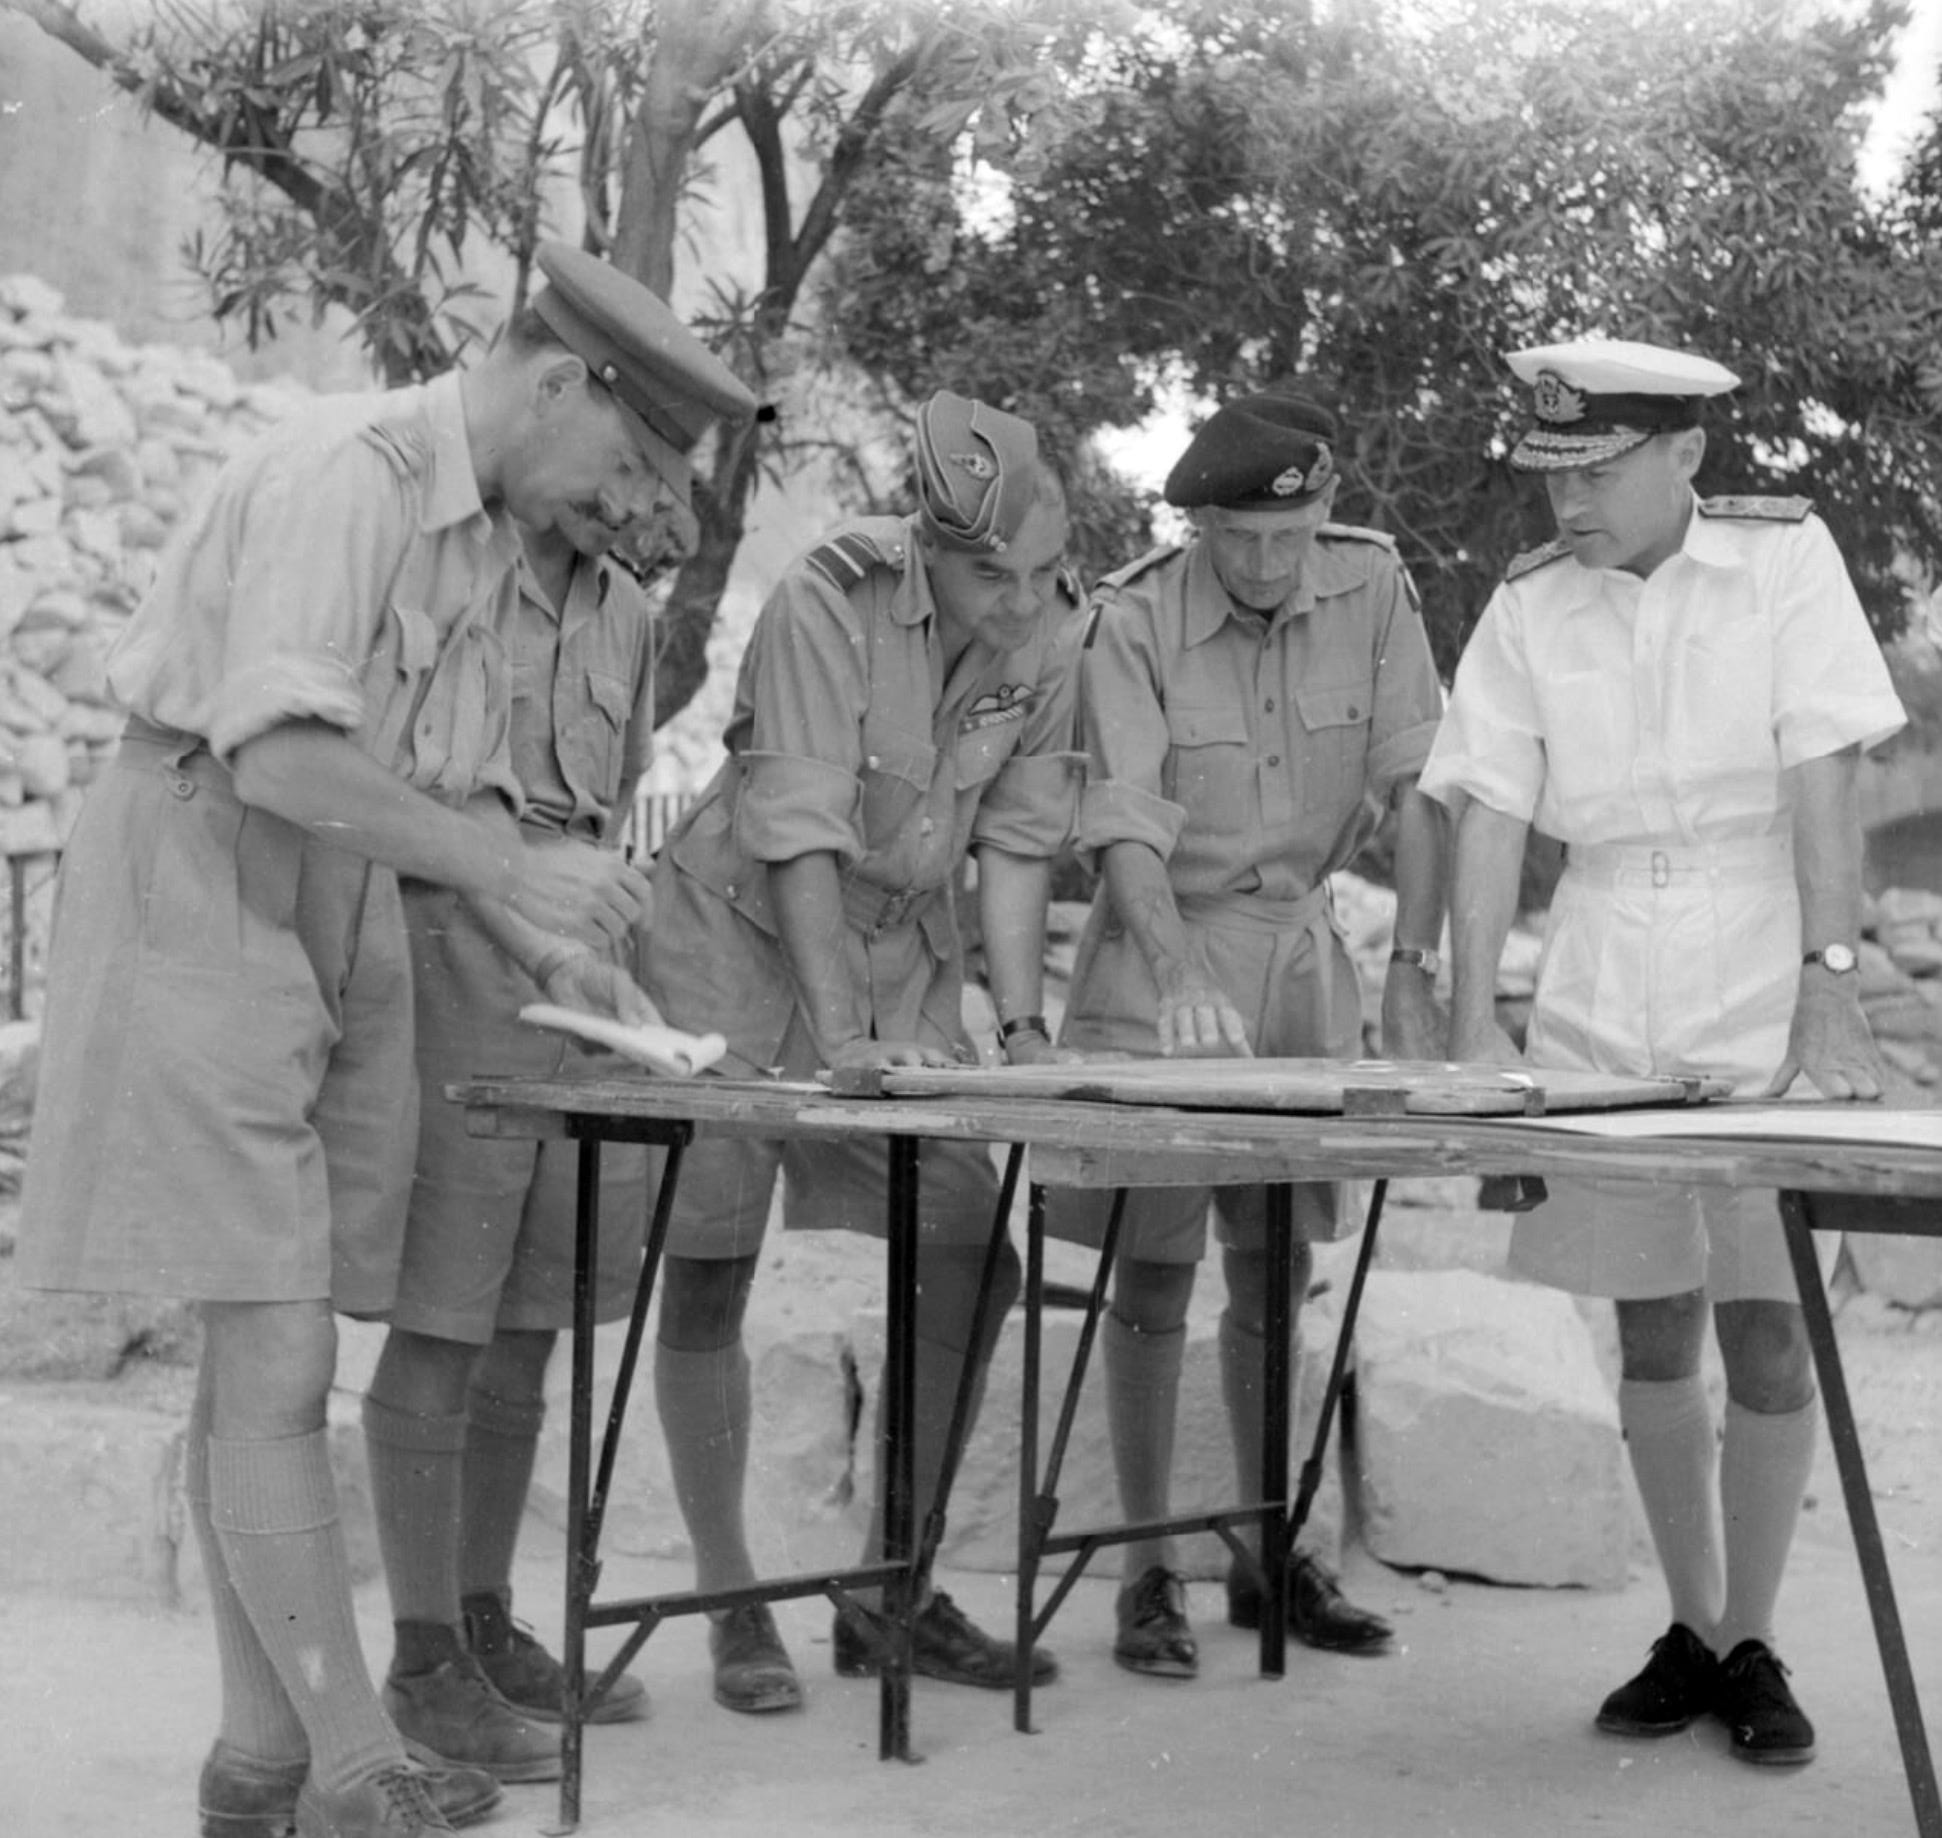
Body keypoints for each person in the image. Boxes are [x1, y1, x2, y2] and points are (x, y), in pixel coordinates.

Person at [15, 241, 743, 1838]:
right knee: (273, 1339)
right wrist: (517, 869)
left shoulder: (472, 532)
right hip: (208, 864)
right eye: (620, 460)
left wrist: (548, 944)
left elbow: (426, 803)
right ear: (558, 383)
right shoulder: (354, 477)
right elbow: (276, 750)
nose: (611, 502)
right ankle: (350, 1761)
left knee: (263, 1353)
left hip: (327, 895)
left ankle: (256, 1764)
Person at [1422, 337, 1905, 1767]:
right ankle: (1689, 1625)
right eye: (1550, 470)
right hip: (1596, 969)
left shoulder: (1781, 559)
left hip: (1758, 948)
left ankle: (1752, 1633)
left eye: (1598, 466)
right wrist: (1466, 1027)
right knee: (1646, 1312)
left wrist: (1828, 982)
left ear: (1683, 454)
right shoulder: (1525, 603)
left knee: (1766, 1314)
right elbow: (1488, 803)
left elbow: (1822, 767)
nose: (1566, 499)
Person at [638, 389, 1082, 1712]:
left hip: (894, 950)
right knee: (709, 1270)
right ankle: (731, 1606)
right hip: (732, 937)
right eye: (987, 574)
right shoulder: (821, 598)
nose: (1017, 602)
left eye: (1041, 572)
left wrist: (1015, 1025)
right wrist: (837, 1043)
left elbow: (1011, 841)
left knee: (969, 1251)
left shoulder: (1050, 628)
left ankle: (892, 1587)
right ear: (924, 548)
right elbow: (797, 841)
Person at [362, 325, 750, 1785]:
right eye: (625, 467)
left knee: (526, 1323)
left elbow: (601, 818)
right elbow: (422, 807)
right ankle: (416, 1661)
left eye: (653, 484)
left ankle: (481, 1618)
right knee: (442, 1325)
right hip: (448, 970)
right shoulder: (439, 563)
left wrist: (607, 962)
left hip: (567, 988)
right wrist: (548, 938)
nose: (630, 505)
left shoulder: (626, 618)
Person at [1052, 386, 1448, 1680]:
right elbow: (1119, 822)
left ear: (1325, 513)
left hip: (1297, 954)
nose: (1270, 565)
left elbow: (1419, 785)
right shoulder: (1132, 616)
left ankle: (1265, 1548)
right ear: (1201, 526)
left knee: (1274, 1264)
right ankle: (1147, 1569)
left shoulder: (1371, 587)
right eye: (1241, 541)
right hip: (1166, 945)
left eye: (1291, 537)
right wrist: (1172, 976)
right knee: (1153, 1273)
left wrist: (1414, 967)